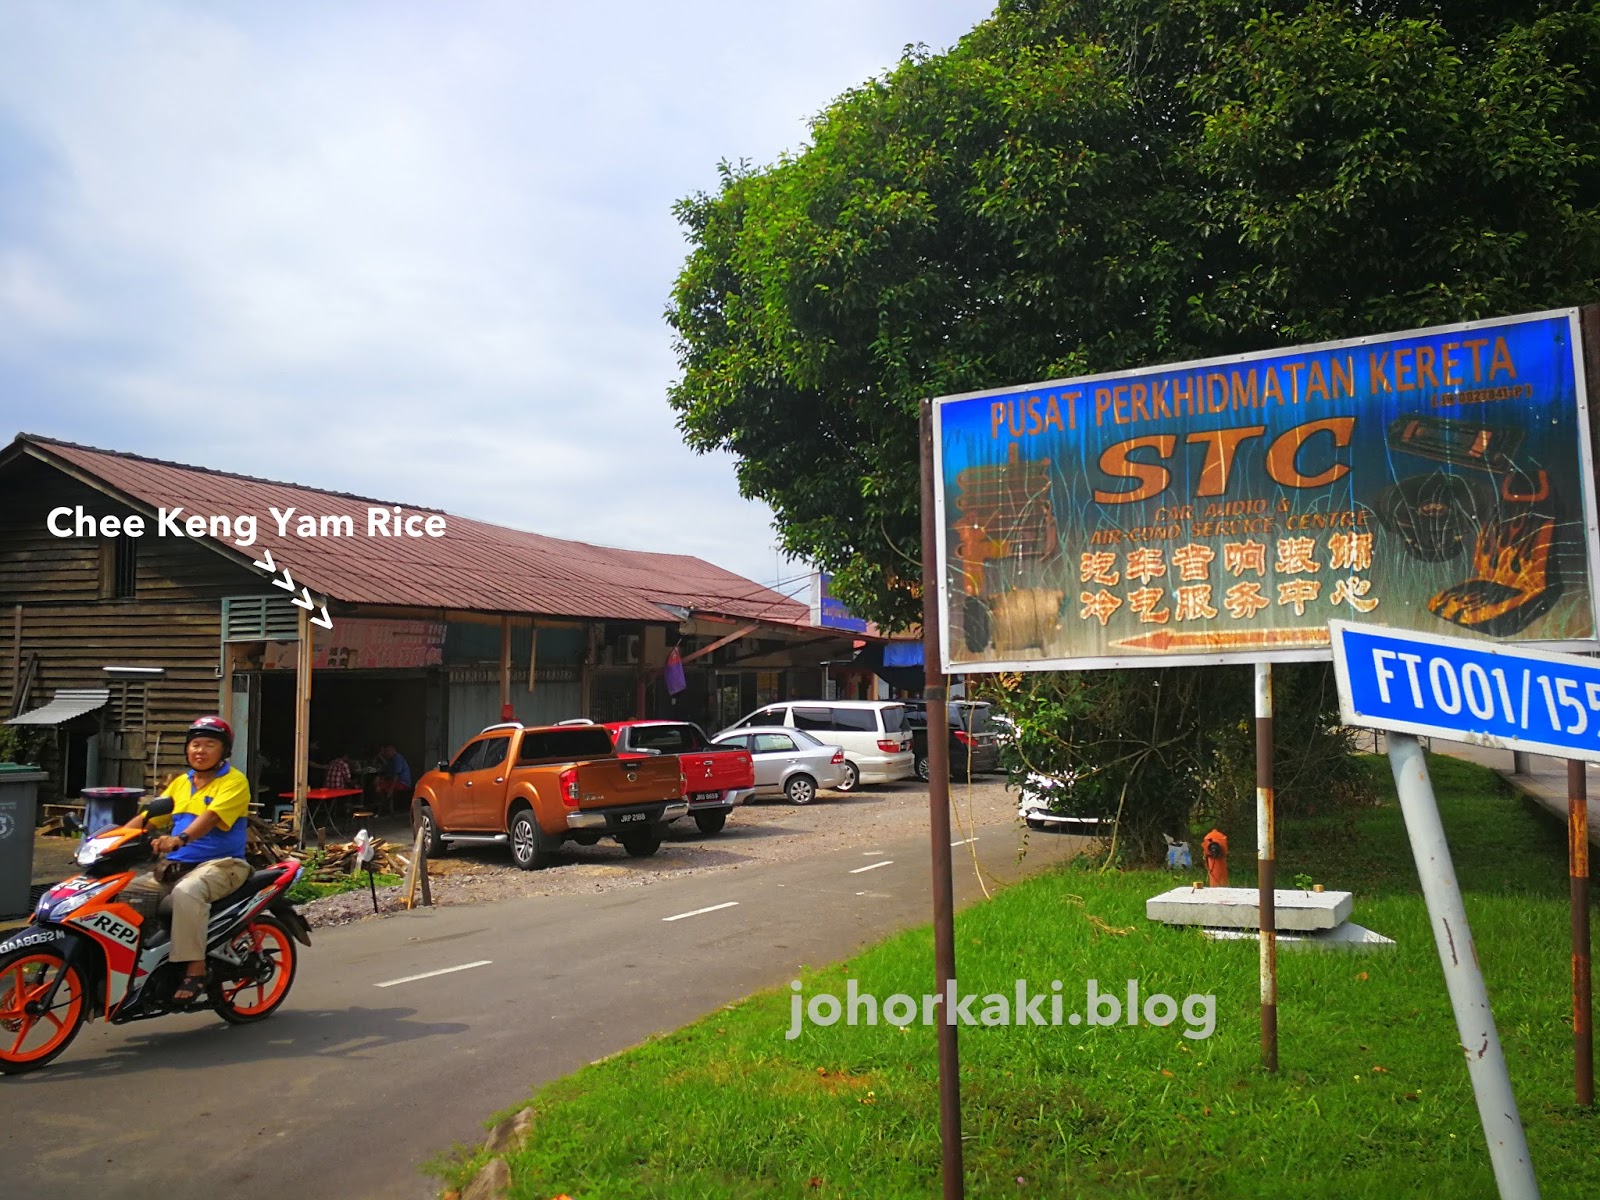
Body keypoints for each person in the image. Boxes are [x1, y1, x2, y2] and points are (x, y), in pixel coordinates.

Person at [129, 715, 253, 1005]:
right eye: (195, 744)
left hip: (222, 865)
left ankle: (195, 968)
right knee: (123, 893)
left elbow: (209, 819)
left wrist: (180, 838)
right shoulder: (181, 784)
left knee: (187, 892)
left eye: (210, 744)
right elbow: (148, 818)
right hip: (174, 868)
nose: (200, 751)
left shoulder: (234, 781)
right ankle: (135, 963)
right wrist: (109, 838)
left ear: (223, 751)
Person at [373, 743, 412, 811]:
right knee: (376, 782)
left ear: (393, 750)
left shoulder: (397, 759)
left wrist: (391, 789)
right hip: (395, 780)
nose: (387, 753)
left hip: (403, 783)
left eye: (388, 751)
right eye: (386, 751)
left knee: (379, 787)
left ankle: (385, 807)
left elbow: (396, 776)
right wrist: (382, 779)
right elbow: (388, 770)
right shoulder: (392, 760)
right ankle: (383, 805)